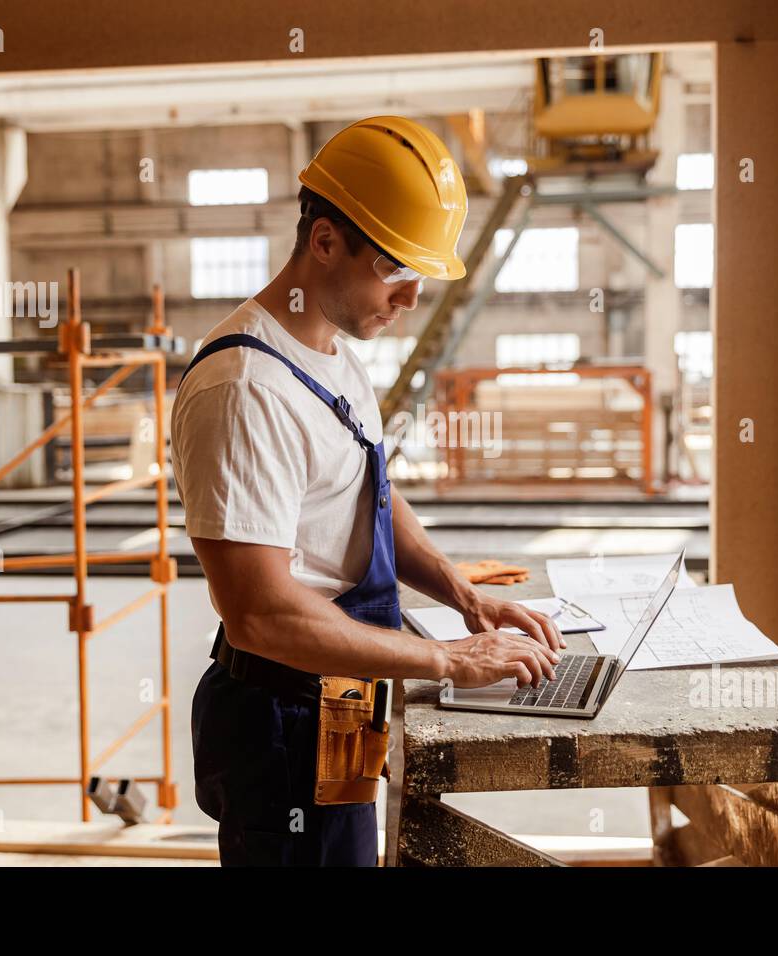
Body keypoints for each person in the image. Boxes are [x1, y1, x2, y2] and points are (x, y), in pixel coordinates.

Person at [171, 115, 565, 866]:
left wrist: (463, 596)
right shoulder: (245, 388)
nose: (410, 298)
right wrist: (452, 660)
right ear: (323, 241)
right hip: (282, 727)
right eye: (394, 270)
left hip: (340, 703)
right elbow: (256, 614)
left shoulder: (332, 352)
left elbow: (367, 496)